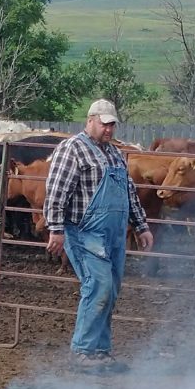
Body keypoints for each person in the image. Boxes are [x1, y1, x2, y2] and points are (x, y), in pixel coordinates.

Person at [44, 98, 154, 374]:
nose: (108, 130)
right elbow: (56, 193)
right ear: (90, 120)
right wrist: (56, 229)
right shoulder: (72, 149)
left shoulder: (115, 154)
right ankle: (82, 350)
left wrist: (141, 225)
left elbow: (129, 193)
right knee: (99, 285)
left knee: (111, 289)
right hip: (83, 231)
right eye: (104, 124)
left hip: (113, 234)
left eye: (112, 125)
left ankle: (100, 351)